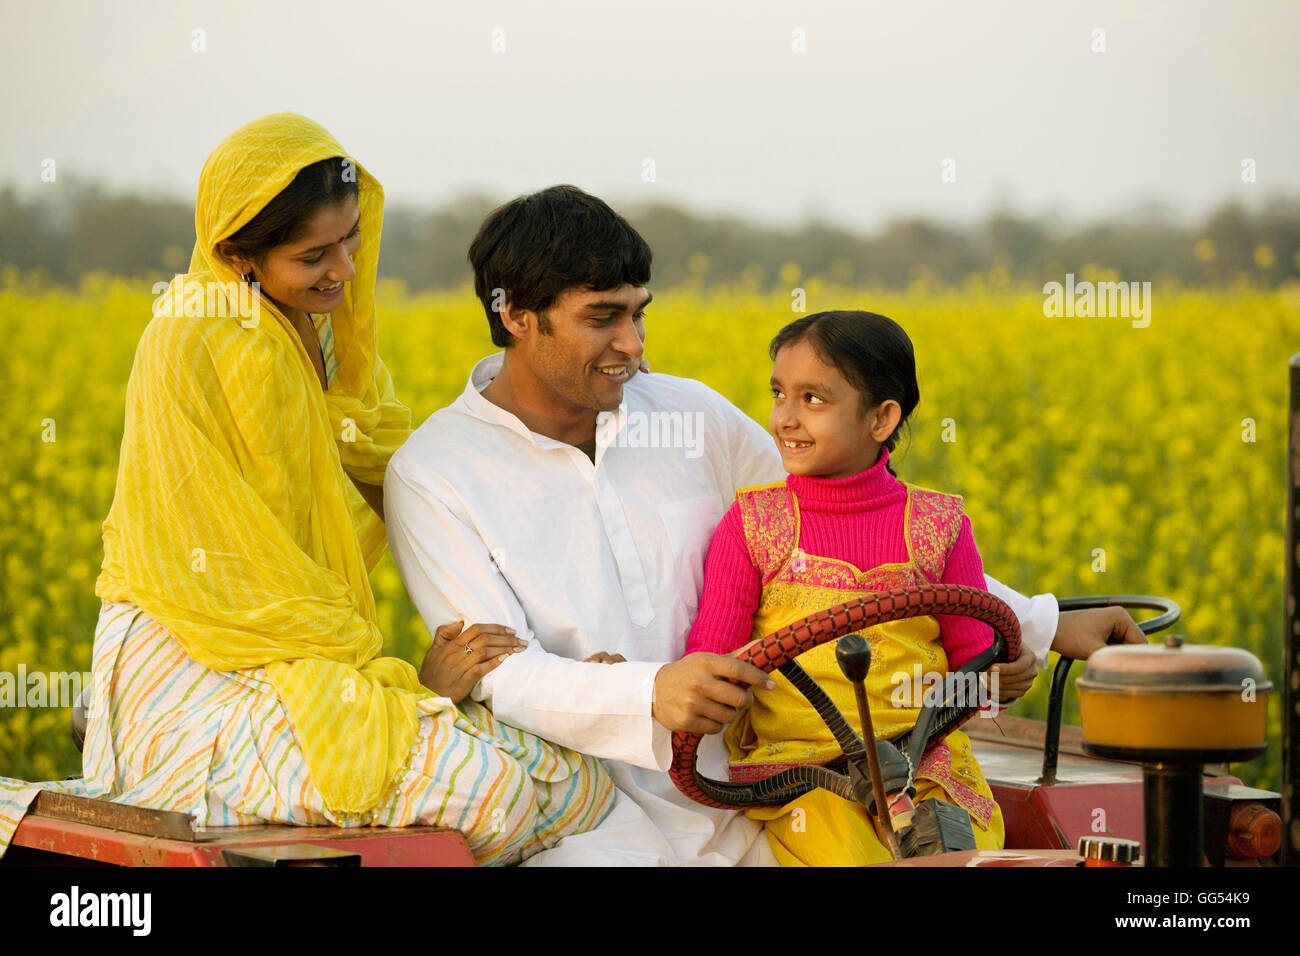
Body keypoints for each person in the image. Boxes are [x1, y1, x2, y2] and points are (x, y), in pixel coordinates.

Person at [384, 184, 1146, 866]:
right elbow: (502, 672)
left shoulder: (690, 413)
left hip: (779, 785)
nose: (633, 346)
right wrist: (653, 693)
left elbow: (851, 533)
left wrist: (1041, 623)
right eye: (603, 319)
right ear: (514, 314)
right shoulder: (435, 472)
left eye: (639, 313)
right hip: (592, 818)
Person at [0, 115, 612, 865]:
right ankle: (136, 743)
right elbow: (242, 574)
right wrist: (405, 687)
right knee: (498, 796)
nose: (344, 270)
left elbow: (409, 470)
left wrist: (551, 649)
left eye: (351, 239)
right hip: (200, 658)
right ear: (236, 255)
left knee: (578, 783)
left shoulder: (315, 332)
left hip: (299, 654)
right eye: (312, 255)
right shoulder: (208, 337)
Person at [684, 309, 1010, 865]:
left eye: (813, 400)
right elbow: (713, 661)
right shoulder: (753, 524)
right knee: (850, 854)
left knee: (967, 852)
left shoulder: (940, 523)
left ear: (881, 418)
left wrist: (999, 674)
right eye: (779, 394)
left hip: (922, 764)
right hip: (805, 771)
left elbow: (978, 666)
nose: (784, 418)